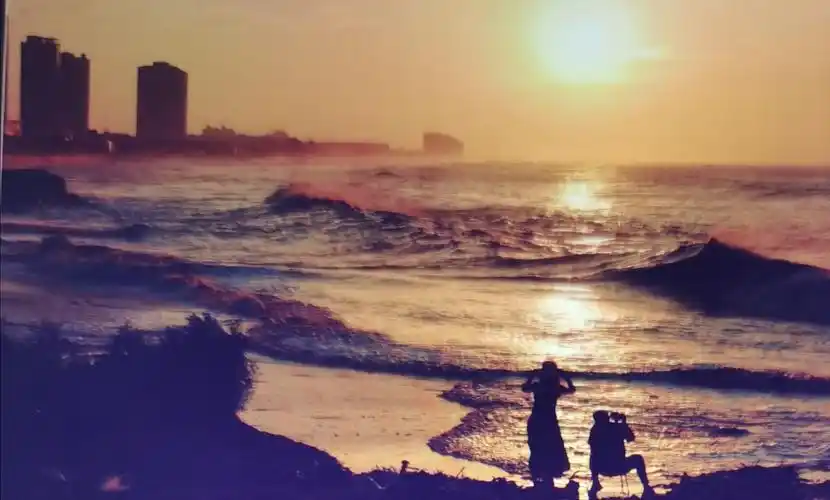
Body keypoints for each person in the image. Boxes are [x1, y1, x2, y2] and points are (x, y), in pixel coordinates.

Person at [521, 360, 576, 490]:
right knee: (551, 447)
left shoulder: (539, 385)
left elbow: (524, 388)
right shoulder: (555, 388)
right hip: (549, 421)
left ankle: (538, 475)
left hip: (537, 419)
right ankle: (546, 475)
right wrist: (567, 378)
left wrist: (531, 376)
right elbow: (572, 390)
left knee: (536, 447)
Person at [588, 410, 654, 498]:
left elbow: (593, 448)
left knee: (593, 456)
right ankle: (646, 486)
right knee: (638, 459)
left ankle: (595, 482)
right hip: (619, 466)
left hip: (602, 468)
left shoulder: (595, 430)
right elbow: (630, 438)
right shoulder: (616, 427)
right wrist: (623, 423)